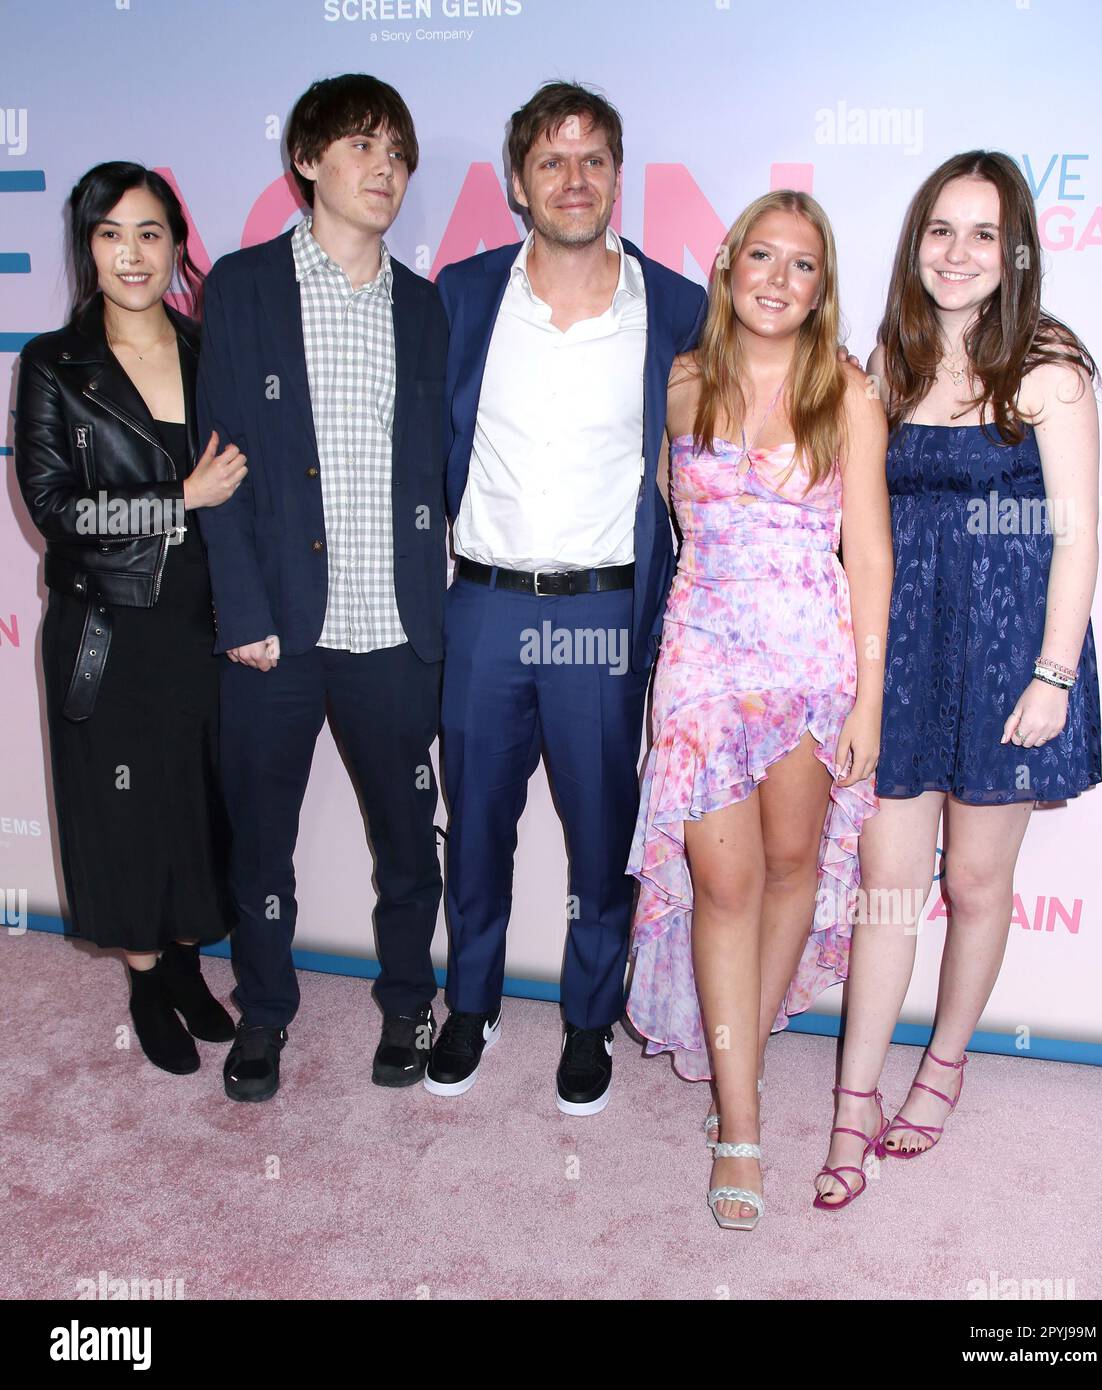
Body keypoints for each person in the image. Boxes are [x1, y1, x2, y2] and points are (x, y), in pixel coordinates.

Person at [813, 150, 1101, 1209]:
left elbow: (1076, 537)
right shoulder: (883, 365)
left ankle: (942, 1066)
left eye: (982, 233)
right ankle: (852, 1101)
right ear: (915, 240)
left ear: (1016, 249)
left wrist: (1052, 673)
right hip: (904, 653)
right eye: (941, 228)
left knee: (972, 884)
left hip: (1007, 657)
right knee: (885, 886)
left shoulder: (1048, 367)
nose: (957, 251)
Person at [426, 81, 707, 1113]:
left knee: (601, 832)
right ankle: (470, 1003)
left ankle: (588, 1018)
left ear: (618, 179)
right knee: (478, 822)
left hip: (601, 612)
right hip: (486, 603)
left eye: (592, 160)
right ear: (517, 182)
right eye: (551, 160)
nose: (573, 179)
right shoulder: (460, 294)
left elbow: (751, 414)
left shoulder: (678, 306)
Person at [626, 191, 892, 1228]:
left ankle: (746, 1061)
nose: (779, 280)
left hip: (812, 666)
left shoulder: (847, 393)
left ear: (822, 288)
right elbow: (666, 524)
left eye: (804, 266)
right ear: (729, 265)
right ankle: (738, 1126)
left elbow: (867, 556)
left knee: (789, 870)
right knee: (723, 883)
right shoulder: (683, 384)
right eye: (763, 257)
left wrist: (866, 695)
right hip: (700, 661)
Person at [196, 74, 448, 1102]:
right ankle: (263, 1015)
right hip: (276, 632)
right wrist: (243, 613)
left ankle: (406, 1002)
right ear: (306, 161)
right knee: (261, 837)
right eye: (360, 146)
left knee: (406, 841)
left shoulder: (426, 307)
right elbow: (220, 463)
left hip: (393, 625)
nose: (383, 168)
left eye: (396, 151)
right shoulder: (245, 286)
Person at [15, 162, 246, 1074]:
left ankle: (187, 964)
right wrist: (174, 498)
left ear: (176, 246)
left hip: (202, 619)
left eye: (149, 232)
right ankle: (148, 981)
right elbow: (54, 505)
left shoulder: (208, 349)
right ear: (87, 250)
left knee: (194, 802)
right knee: (124, 810)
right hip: (106, 630)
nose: (132, 253)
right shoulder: (54, 363)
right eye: (111, 234)